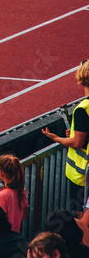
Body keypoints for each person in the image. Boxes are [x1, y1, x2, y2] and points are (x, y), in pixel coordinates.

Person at [42, 59, 89, 218]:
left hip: (81, 174)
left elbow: (77, 142)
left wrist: (57, 138)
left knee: (82, 218)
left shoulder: (82, 109)